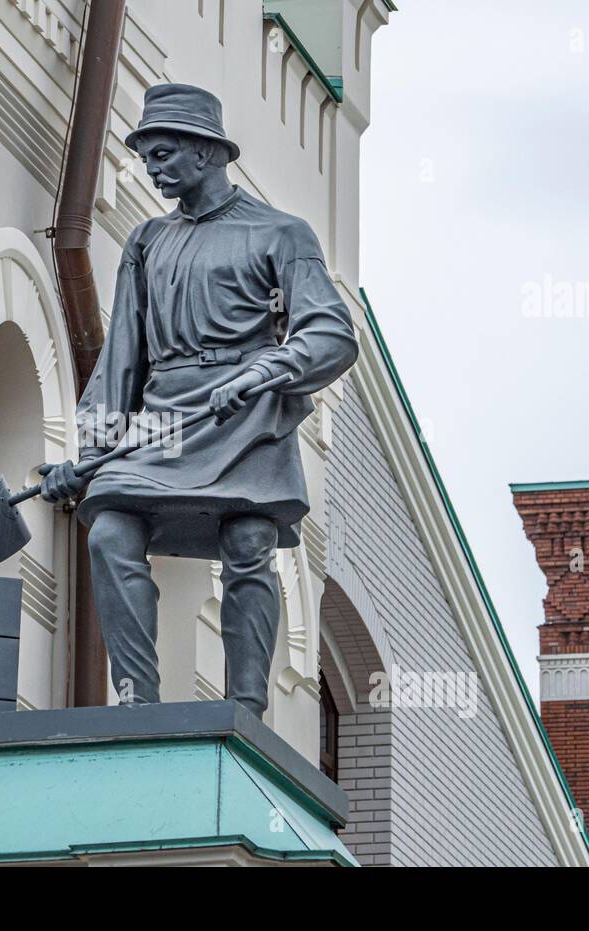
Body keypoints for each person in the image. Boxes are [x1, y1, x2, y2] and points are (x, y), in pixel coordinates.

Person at [40, 83, 358, 718]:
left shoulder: (280, 233)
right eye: (147, 156)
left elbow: (330, 332)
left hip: (246, 417)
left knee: (247, 543)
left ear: (206, 153)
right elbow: (121, 355)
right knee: (110, 530)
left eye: (162, 154)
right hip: (164, 418)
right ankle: (136, 700)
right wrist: (94, 451)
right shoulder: (147, 241)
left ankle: (245, 707)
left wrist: (270, 368)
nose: (152, 168)